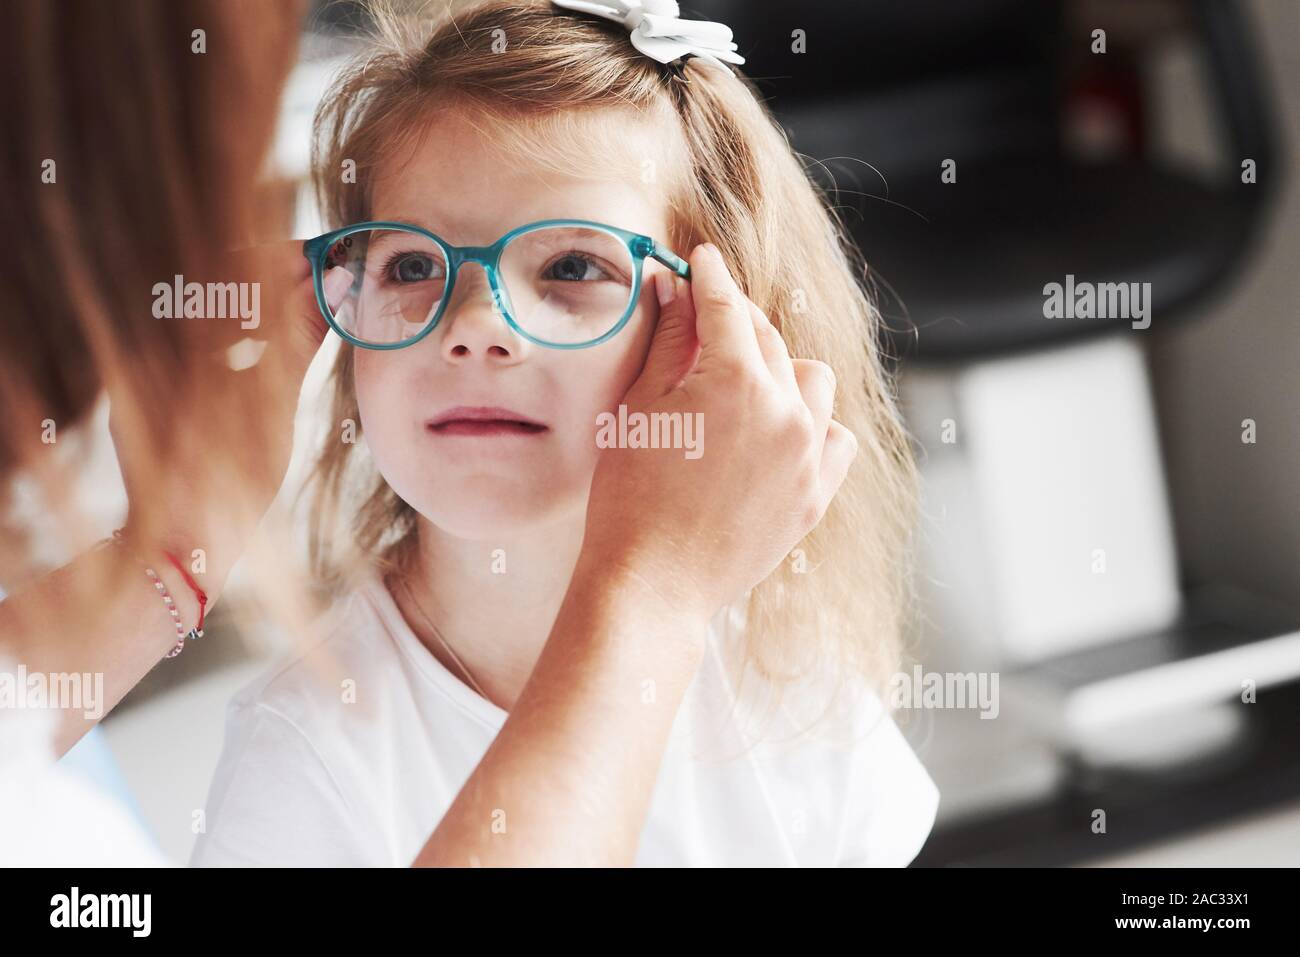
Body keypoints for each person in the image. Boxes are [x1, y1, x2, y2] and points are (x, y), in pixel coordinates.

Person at [189, 0, 938, 867]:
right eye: (413, 265)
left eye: (573, 267)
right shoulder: (304, 756)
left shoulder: (783, 677)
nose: (474, 324)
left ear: (714, 337)